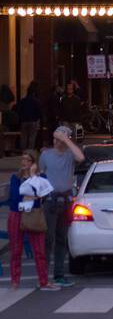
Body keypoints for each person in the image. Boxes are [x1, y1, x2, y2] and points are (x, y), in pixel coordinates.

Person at [38, 125, 85, 288]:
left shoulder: (70, 154)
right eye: (55, 138)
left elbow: (81, 158)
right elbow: (39, 174)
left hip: (65, 200)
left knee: (61, 239)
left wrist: (67, 140)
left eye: (60, 138)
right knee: (47, 239)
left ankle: (59, 275)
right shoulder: (46, 155)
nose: (56, 141)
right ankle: (43, 276)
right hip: (50, 200)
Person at [4, 151, 58, 291]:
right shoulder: (15, 177)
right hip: (17, 214)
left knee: (39, 250)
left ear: (34, 163)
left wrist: (34, 177)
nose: (24, 162)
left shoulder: (41, 177)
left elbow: (44, 194)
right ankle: (15, 281)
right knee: (16, 250)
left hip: (34, 214)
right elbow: (16, 196)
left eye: (28, 160)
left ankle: (44, 281)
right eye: (22, 159)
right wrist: (33, 195)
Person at [16, 82, 42, 151]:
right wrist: (39, 119)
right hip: (33, 121)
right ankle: (30, 151)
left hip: (24, 121)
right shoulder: (36, 101)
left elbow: (19, 111)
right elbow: (39, 112)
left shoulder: (22, 101)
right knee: (32, 137)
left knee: (24, 136)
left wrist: (21, 119)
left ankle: (23, 150)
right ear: (33, 93)